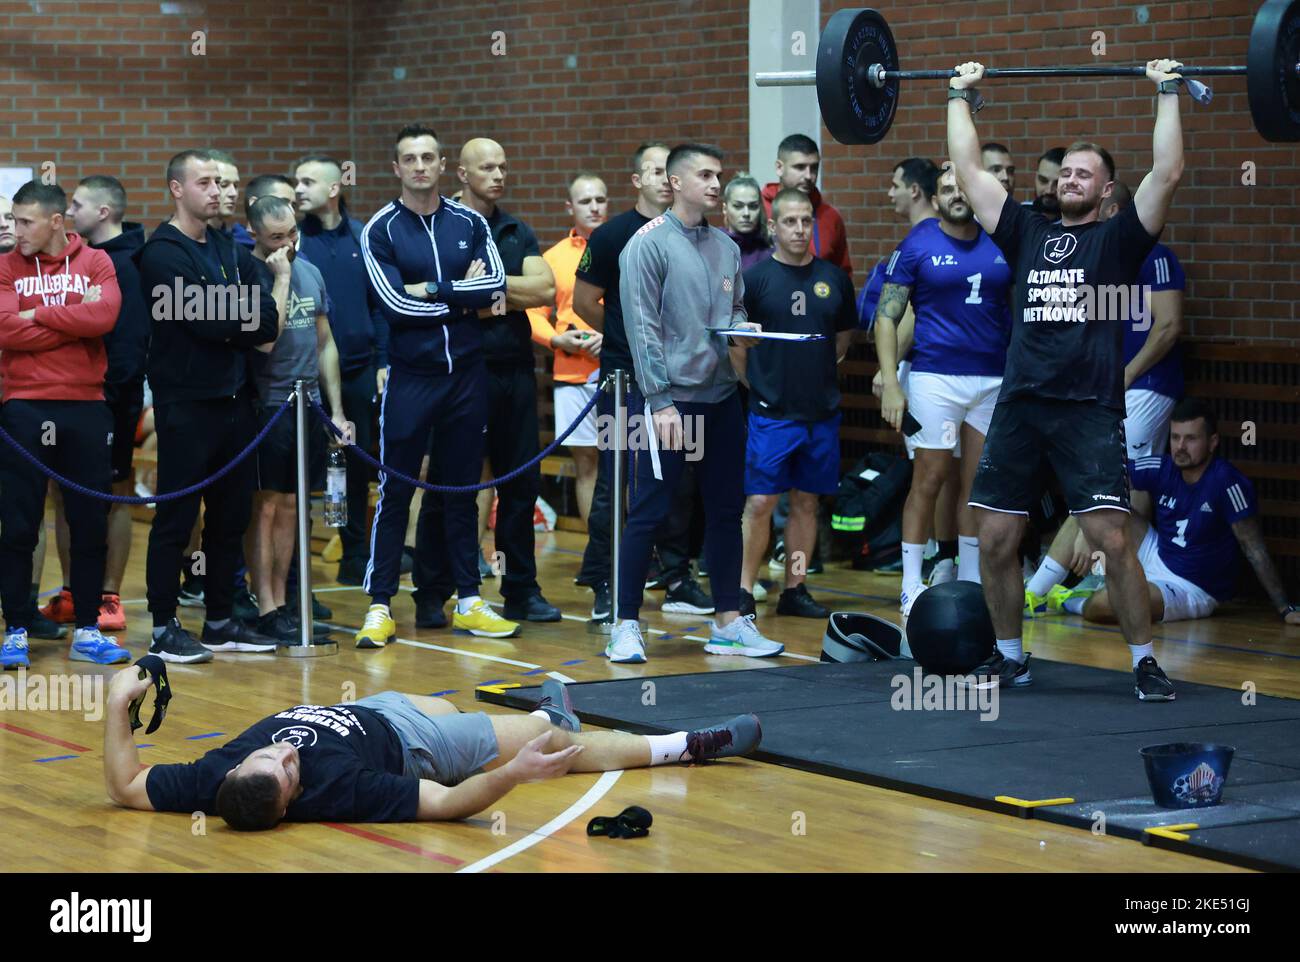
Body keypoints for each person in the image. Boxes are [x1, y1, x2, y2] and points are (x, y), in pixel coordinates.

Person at [948, 57, 1186, 700]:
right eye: (1067, 172)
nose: (1071, 180)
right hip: (1022, 403)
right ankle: (1008, 656)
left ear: (1107, 191)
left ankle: (1143, 662)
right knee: (995, 536)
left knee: (1111, 538)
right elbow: (969, 172)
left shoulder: (1119, 241)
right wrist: (959, 95)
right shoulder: (1026, 231)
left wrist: (1166, 89)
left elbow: (1168, 171)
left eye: (1086, 174)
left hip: (1088, 409)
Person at [101, 669, 762, 828]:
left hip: (369, 710)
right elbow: (446, 806)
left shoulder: (208, 779)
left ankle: (542, 711)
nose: (288, 756)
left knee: (449, 700)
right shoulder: (342, 791)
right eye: (291, 772)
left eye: (275, 756)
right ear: (296, 797)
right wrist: (515, 776)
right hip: (415, 746)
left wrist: (114, 707)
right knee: (550, 741)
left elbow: (127, 786)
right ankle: (685, 746)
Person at [610, 142, 782, 664]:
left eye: (718, 174)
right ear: (676, 182)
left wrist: (743, 333)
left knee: (726, 511)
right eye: (705, 175)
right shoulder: (646, 245)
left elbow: (730, 312)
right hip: (668, 402)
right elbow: (641, 330)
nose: (715, 184)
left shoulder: (727, 246)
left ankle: (729, 620)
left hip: (722, 397)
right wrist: (659, 401)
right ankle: (624, 623)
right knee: (648, 513)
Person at [355, 124, 515, 647]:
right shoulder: (380, 229)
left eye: (428, 157)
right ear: (396, 168)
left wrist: (434, 288)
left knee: (461, 490)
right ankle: (379, 604)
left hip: (467, 376)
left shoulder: (469, 221)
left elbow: (493, 288)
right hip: (411, 379)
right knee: (397, 490)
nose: (420, 166)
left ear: (443, 165)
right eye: (410, 158)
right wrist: (460, 294)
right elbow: (396, 305)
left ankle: (468, 598)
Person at [138, 150, 284, 662]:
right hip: (186, 404)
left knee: (230, 516)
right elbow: (207, 321)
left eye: (220, 183)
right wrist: (239, 311)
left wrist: (239, 310)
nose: (216, 191)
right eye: (204, 183)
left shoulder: (226, 246)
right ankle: (163, 626)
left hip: (234, 402)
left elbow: (264, 322)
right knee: (176, 519)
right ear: (177, 190)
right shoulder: (162, 252)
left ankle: (221, 620)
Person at [411, 137, 560, 626]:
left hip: (515, 373)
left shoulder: (516, 229)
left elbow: (542, 289)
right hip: (459, 373)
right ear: (461, 172)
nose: (498, 175)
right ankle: (432, 592)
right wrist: (473, 291)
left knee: (519, 483)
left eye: (503, 166)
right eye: (487, 168)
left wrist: (480, 286)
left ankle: (521, 588)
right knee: (451, 486)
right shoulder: (442, 227)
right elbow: (434, 293)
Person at [572, 142, 710, 621]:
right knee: (617, 482)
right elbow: (586, 303)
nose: (660, 178)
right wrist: (626, 330)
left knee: (678, 480)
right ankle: (604, 582)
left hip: (681, 383)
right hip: (623, 381)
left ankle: (675, 577)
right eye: (652, 170)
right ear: (638, 180)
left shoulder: (692, 234)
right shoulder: (611, 236)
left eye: (665, 170)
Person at [875, 164, 1013, 615]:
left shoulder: (1001, 238)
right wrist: (892, 382)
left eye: (962, 187)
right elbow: (886, 317)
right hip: (936, 377)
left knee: (977, 487)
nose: (956, 194)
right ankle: (911, 584)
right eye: (947, 189)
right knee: (929, 479)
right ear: (935, 201)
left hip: (992, 379)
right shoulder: (919, 243)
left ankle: (972, 580)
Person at [0, 182, 127, 670]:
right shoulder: (7, 265)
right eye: (14, 220)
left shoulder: (96, 262)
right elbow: (5, 328)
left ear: (56, 222)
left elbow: (104, 316)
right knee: (18, 524)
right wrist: (71, 317)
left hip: (86, 407)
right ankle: (14, 630)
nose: (16, 231)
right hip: (24, 407)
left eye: (26, 221)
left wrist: (35, 314)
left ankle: (89, 631)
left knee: (89, 523)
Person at [1027, 400, 1300, 627]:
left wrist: (1285, 608)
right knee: (1095, 504)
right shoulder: (1163, 466)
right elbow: (1101, 479)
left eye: (1191, 439)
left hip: (1191, 588)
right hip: (1157, 553)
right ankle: (1032, 597)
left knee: (1101, 607)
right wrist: (1087, 532)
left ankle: (1069, 600)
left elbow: (1254, 549)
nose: (1180, 447)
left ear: (1213, 442)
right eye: (1175, 437)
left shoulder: (1227, 483)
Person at [32, 176, 150, 638]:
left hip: (112, 398)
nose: (69, 211)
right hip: (71, 400)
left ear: (103, 212)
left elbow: (130, 340)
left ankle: (108, 596)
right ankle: (71, 592)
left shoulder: (130, 263)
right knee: (63, 493)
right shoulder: (70, 261)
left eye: (77, 204)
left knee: (114, 492)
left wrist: (113, 396)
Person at [731, 187, 856, 619]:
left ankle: (795, 588)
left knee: (807, 503)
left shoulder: (835, 279)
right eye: (790, 221)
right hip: (772, 415)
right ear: (773, 227)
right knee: (761, 503)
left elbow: (841, 340)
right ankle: (744, 589)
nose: (800, 229)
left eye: (806, 221)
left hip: (820, 414)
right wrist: (760, 388)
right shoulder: (757, 279)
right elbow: (738, 348)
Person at [245, 196, 348, 642]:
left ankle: (285, 602)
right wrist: (281, 277)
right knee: (265, 505)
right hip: (268, 403)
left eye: (292, 234)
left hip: (307, 402)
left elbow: (325, 344)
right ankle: (264, 604)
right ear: (254, 235)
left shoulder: (311, 270)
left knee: (293, 505)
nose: (287, 245)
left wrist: (337, 411)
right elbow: (266, 342)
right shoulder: (253, 275)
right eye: (275, 238)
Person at [295, 154, 390, 586]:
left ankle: (354, 551)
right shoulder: (296, 241)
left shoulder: (363, 237)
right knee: (306, 468)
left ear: (334, 189)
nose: (298, 189)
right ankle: (299, 565)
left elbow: (381, 304)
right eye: (296, 182)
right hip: (303, 377)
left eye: (308, 182)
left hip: (356, 371)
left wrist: (383, 360)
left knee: (352, 464)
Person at [526, 173, 606, 528]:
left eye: (600, 200)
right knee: (586, 463)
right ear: (569, 207)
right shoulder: (554, 257)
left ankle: (632, 555)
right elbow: (532, 314)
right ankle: (598, 557)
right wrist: (556, 340)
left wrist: (615, 339)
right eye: (585, 201)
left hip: (620, 369)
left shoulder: (624, 246)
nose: (594, 207)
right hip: (572, 371)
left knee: (623, 463)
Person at [1101, 181, 1185, 458]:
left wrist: (1128, 373)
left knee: (1132, 472)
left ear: (1112, 210)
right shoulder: (1096, 257)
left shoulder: (1153, 255)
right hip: (1101, 387)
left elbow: (1169, 326)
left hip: (1145, 383)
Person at [760, 134, 852, 278]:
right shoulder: (757, 209)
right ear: (779, 168)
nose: (809, 176)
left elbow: (843, 274)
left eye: (814, 168)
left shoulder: (831, 216)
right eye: (800, 167)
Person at [722, 173, 772, 271]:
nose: (746, 213)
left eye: (753, 206)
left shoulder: (770, 250)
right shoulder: (713, 246)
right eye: (738, 206)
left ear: (760, 208)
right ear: (725, 209)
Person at [1027, 147, 1065, 216]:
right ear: (1036, 178)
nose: (1049, 191)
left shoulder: (1079, 224)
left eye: (1057, 183)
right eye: (1043, 180)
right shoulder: (1019, 213)